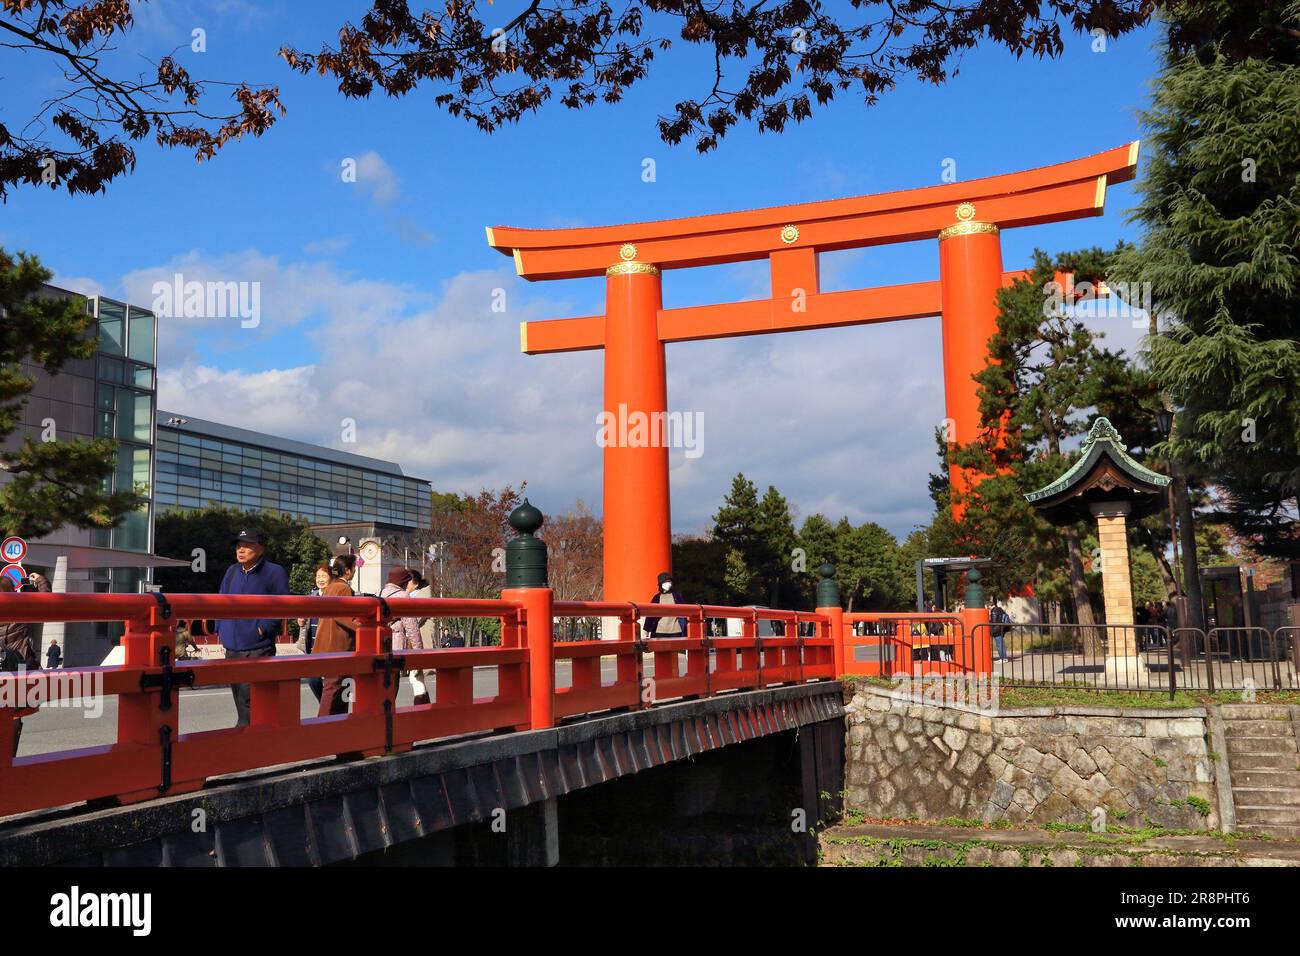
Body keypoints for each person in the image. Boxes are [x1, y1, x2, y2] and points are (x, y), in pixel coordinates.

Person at [217, 529, 290, 728]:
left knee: (254, 698)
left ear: (260, 548)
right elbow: (220, 600)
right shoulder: (232, 571)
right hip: (232, 646)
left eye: (247, 546)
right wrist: (220, 628)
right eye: (238, 546)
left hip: (257, 645)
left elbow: (282, 604)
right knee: (240, 699)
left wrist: (264, 628)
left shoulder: (274, 572)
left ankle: (250, 739)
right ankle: (249, 736)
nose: (241, 550)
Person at [312, 556, 359, 716]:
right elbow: (345, 617)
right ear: (347, 570)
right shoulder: (344, 588)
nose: (354, 571)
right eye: (353, 567)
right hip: (338, 644)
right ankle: (324, 726)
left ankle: (333, 725)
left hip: (323, 644)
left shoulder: (331, 587)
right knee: (335, 688)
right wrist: (364, 626)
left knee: (335, 687)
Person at [1, 577, 39, 756]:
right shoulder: (20, 608)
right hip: (19, 666)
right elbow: (46, 600)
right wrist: (40, 580)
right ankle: (10, 757)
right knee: (15, 712)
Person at [295, 564, 332, 702]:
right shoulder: (312, 596)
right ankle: (325, 704)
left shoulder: (334, 596)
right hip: (312, 645)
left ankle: (329, 708)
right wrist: (301, 622)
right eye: (318, 576)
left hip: (328, 646)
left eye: (324, 576)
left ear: (331, 578)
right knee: (312, 679)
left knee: (331, 681)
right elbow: (304, 620)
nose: (320, 579)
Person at [642, 572, 687, 639]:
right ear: (661, 584)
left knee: (676, 649)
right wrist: (646, 630)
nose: (668, 583)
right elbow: (650, 615)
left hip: (676, 630)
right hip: (659, 631)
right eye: (665, 582)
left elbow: (685, 611)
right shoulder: (656, 598)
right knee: (659, 649)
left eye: (669, 581)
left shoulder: (677, 596)